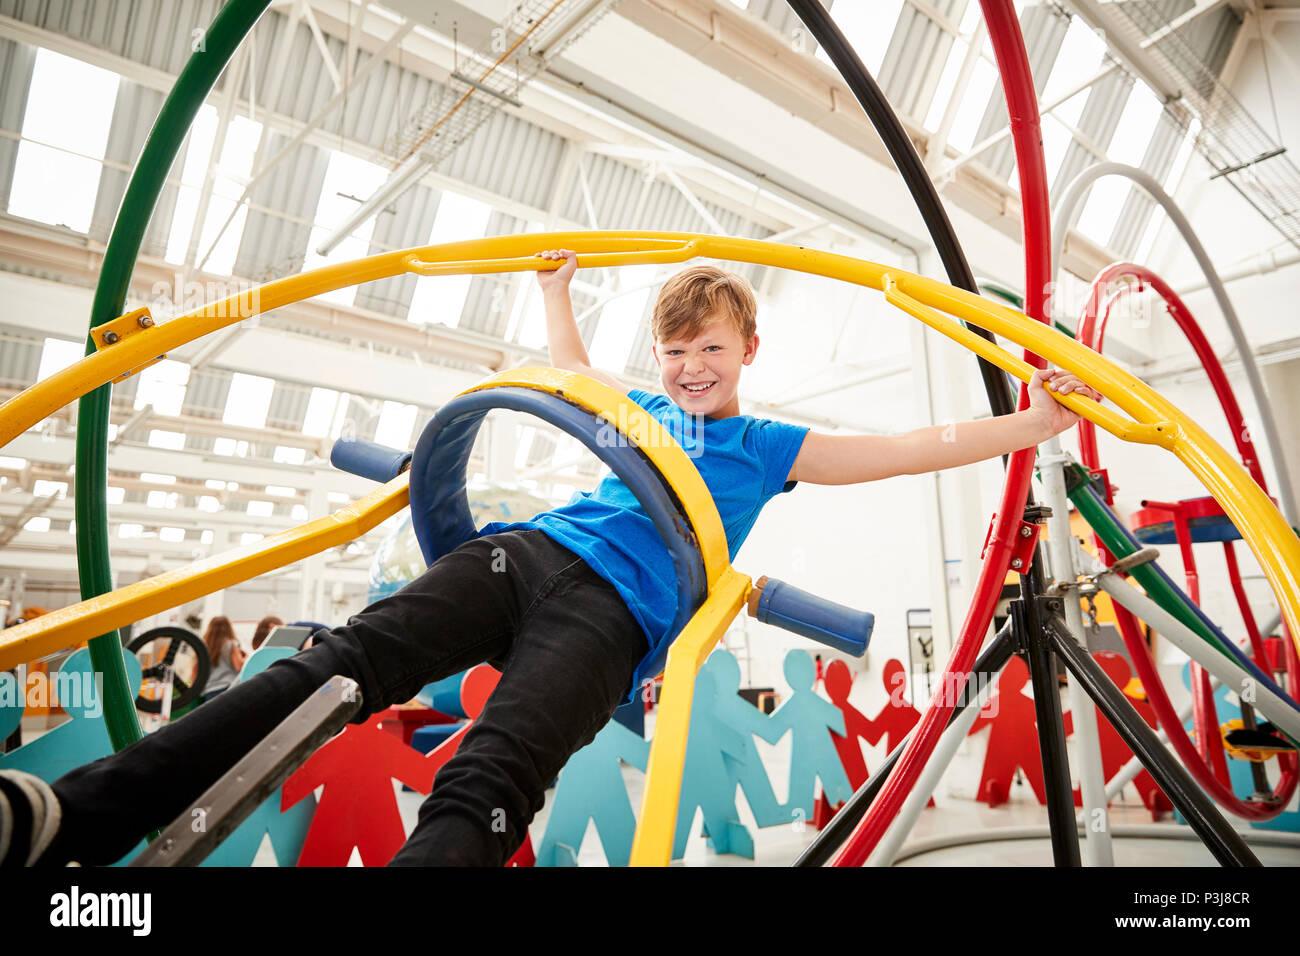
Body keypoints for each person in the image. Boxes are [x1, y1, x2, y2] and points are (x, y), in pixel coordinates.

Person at [0, 250, 1100, 868]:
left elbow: (913, 446)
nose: (691, 371)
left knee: (491, 772)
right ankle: (69, 816)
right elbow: (570, 374)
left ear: (748, 350)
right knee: (327, 667)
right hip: (523, 553)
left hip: (612, 615)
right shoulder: (633, 409)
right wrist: (554, 287)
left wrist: (1031, 426)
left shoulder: (770, 448)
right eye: (674, 355)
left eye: (710, 350)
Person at [200, 616, 246, 703]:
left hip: (209, 690)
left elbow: (195, 672)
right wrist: (246, 657)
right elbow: (239, 666)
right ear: (228, 628)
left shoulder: (203, 646)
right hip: (228, 688)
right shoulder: (232, 644)